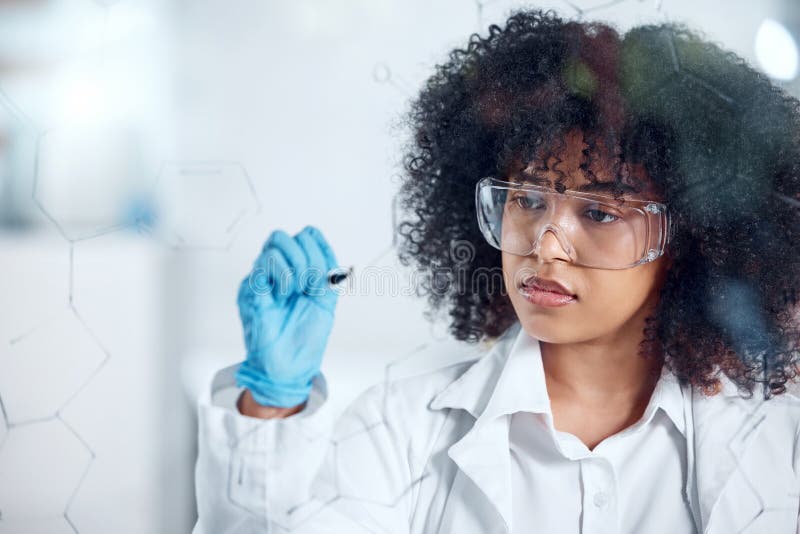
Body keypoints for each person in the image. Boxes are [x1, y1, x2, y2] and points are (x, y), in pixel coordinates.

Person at [193, 9, 800, 534]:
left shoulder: (776, 435)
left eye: (599, 211)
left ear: (688, 237)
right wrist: (270, 408)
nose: (546, 246)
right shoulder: (399, 427)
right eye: (529, 200)